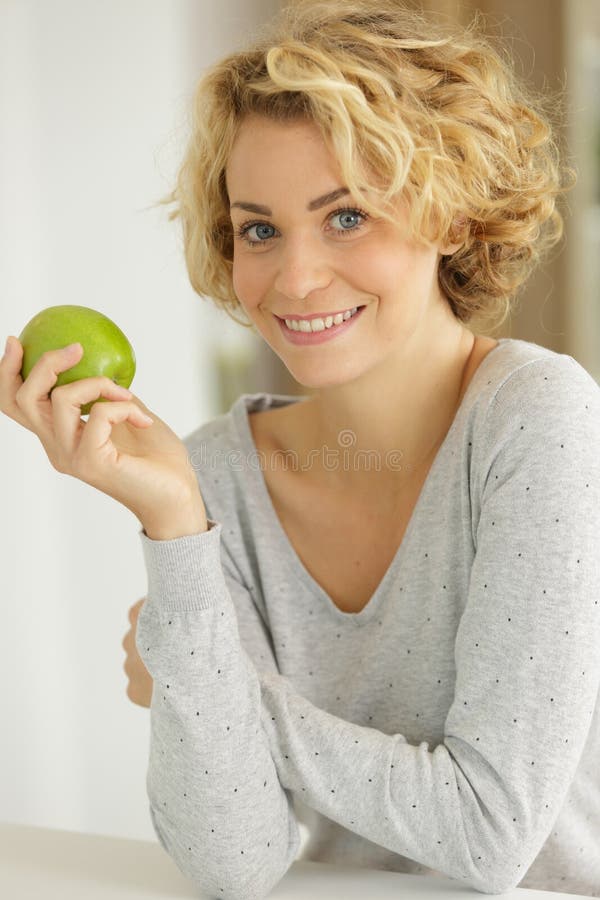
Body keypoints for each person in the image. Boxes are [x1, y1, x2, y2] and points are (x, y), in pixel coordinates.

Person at [2, 1, 599, 897]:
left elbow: (490, 832)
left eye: (347, 215)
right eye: (259, 228)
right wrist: (173, 524)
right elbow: (231, 859)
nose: (294, 277)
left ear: (454, 215)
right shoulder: (209, 476)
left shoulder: (535, 419)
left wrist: (198, 676)